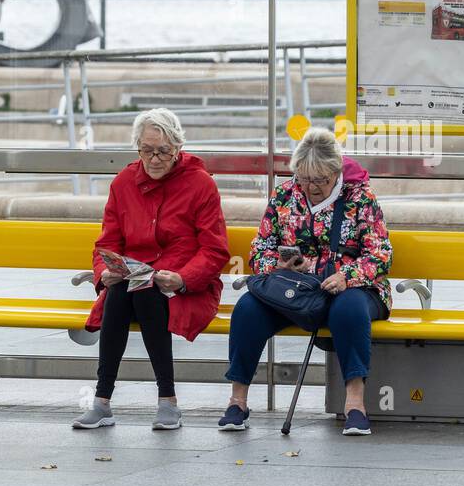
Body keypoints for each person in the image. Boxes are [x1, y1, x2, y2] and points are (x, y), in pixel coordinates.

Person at [220, 127, 393, 436]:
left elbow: (380, 254)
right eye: (305, 179)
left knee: (348, 310)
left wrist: (346, 276)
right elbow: (260, 248)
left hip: (352, 288)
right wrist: (280, 264)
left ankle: (354, 403)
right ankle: (238, 401)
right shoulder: (285, 195)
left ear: (336, 172)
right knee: (247, 308)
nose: (311, 188)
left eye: (320, 180)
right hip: (297, 290)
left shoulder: (361, 198)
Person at [72, 108, 230, 431]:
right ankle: (102, 401)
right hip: (131, 284)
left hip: (184, 286)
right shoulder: (124, 183)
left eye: (163, 151)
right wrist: (105, 271)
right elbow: (107, 243)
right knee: (119, 291)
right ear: (138, 149)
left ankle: (168, 400)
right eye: (147, 151)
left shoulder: (201, 184)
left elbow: (215, 250)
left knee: (146, 293)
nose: (154, 159)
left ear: (177, 148)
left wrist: (183, 278)